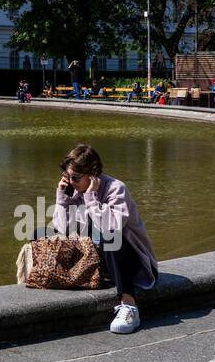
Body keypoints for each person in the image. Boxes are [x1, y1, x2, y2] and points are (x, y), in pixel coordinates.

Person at [53, 143, 158, 334]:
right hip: (100, 261)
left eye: (75, 177)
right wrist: (63, 198)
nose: (71, 182)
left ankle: (129, 306)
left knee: (110, 237)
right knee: (39, 233)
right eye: (67, 177)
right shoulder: (74, 191)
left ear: (92, 175)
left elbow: (111, 228)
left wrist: (91, 198)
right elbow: (63, 230)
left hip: (132, 262)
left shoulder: (116, 189)